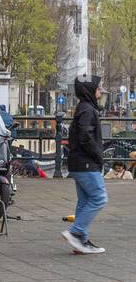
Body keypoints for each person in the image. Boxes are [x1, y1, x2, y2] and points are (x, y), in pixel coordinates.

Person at [63, 76, 108, 254]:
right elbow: (85, 137)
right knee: (99, 198)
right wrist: (98, 156)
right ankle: (77, 232)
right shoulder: (89, 110)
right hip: (86, 163)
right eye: (98, 88)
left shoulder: (83, 108)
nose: (100, 91)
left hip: (78, 163)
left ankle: (79, 243)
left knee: (84, 201)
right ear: (90, 90)